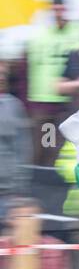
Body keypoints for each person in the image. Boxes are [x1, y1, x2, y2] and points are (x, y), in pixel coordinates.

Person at [25, 0, 79, 167]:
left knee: (55, 149)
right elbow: (30, 68)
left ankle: (47, 181)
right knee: (43, 149)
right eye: (55, 9)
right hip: (44, 103)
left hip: (68, 103)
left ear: (67, 10)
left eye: (61, 9)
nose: (58, 13)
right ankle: (40, 182)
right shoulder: (40, 36)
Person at [0, 197, 71, 269]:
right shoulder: (2, 247)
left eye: (32, 216)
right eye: (20, 217)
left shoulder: (54, 247)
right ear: (9, 220)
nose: (26, 221)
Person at [0, 61, 33, 216]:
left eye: (3, 74)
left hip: (7, 193)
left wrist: (20, 188)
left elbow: (23, 149)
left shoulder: (13, 106)